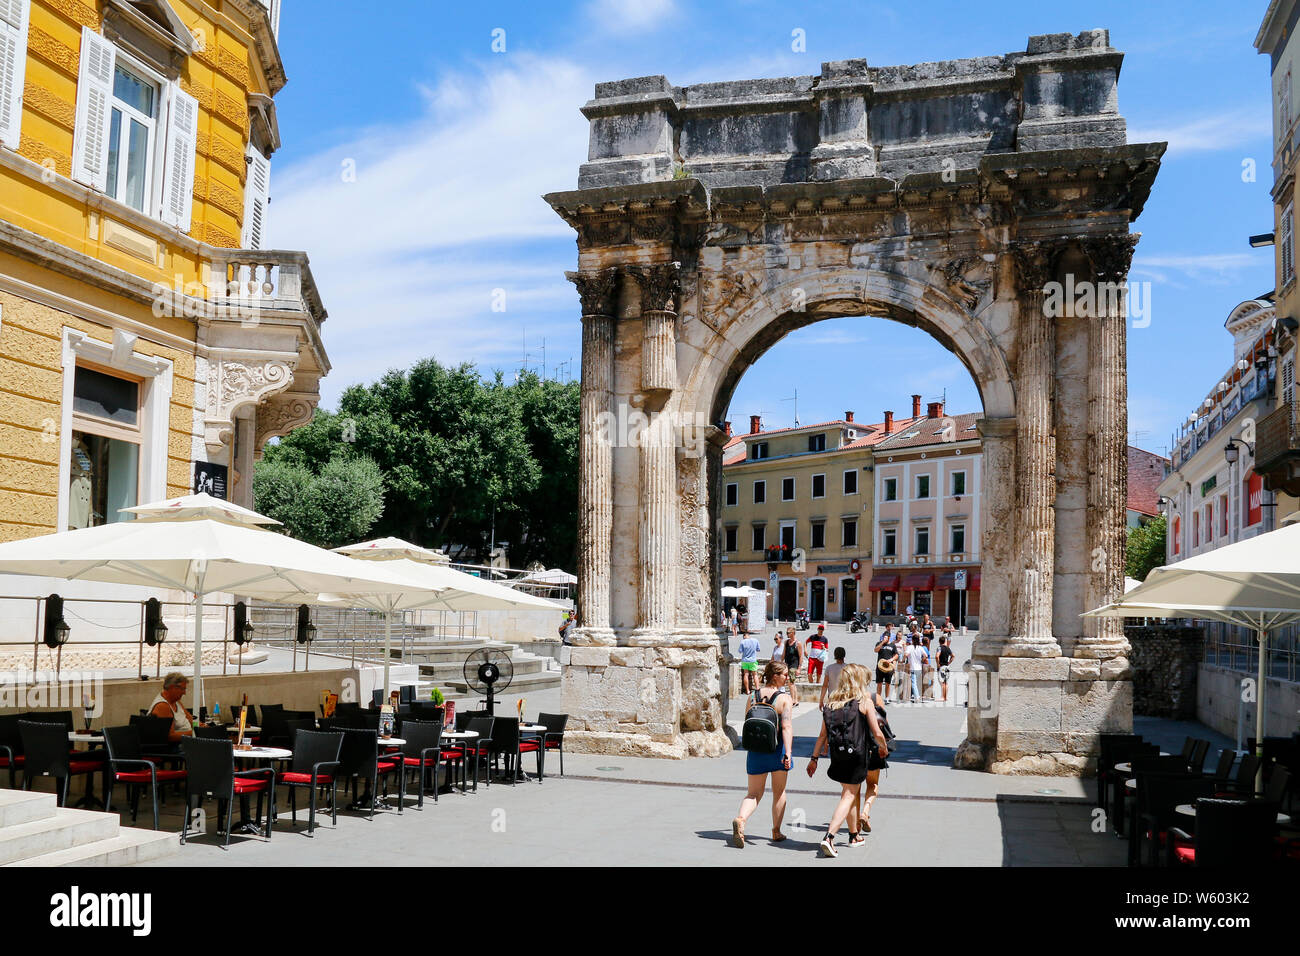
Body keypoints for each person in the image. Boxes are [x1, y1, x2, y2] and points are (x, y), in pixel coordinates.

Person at [806, 663, 890, 857]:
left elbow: (821, 736)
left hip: (837, 754)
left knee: (848, 791)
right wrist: (883, 748)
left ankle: (854, 835)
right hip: (857, 754)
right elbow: (877, 732)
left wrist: (814, 759)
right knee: (849, 794)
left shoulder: (831, 703)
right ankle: (829, 837)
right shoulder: (863, 701)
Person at [731, 661, 795, 848]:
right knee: (779, 792)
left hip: (756, 751)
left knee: (753, 794)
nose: (787, 678)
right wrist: (789, 753)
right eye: (784, 674)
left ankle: (741, 819)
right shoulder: (784, 698)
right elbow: (786, 726)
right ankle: (776, 831)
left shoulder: (752, 696)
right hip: (777, 751)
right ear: (775, 675)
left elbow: (747, 720)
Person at [861, 688, 892, 833]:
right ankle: (865, 812)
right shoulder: (875, 698)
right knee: (872, 784)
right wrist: (885, 746)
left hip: (855, 748)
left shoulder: (846, 697)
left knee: (853, 788)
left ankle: (854, 823)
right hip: (873, 747)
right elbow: (884, 723)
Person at [150, 672, 195, 742]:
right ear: (172, 688)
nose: (184, 693)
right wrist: (195, 733)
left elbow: (191, 720)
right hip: (176, 747)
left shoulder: (176, 702)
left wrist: (204, 727)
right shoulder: (162, 706)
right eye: (182, 689)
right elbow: (170, 736)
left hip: (188, 741)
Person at [874, 626, 900, 701]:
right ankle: (878, 698)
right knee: (879, 683)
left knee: (888, 684)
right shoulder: (879, 643)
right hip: (880, 667)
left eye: (886, 637)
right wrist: (882, 642)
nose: (884, 638)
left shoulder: (892, 645)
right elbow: (875, 650)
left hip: (889, 667)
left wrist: (891, 659)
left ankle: (887, 698)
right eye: (883, 637)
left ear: (889, 638)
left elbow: (896, 655)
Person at [902, 636, 930, 704]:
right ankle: (915, 695)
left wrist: (903, 660)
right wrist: (921, 660)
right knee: (916, 682)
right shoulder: (920, 647)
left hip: (912, 667)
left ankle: (917, 697)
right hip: (919, 667)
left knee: (914, 683)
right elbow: (926, 656)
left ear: (912, 640)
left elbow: (906, 654)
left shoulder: (910, 647)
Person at [737, 628, 762, 695]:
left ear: (744, 636)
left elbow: (740, 651)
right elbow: (758, 649)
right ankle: (757, 689)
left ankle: (747, 690)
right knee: (755, 675)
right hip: (753, 660)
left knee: (746, 674)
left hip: (745, 660)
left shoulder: (743, 642)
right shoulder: (755, 640)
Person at [782, 630, 803, 702]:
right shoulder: (786, 642)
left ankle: (793, 699)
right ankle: (795, 700)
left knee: (790, 682)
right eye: (786, 632)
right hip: (787, 664)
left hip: (794, 665)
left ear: (793, 633)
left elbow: (800, 656)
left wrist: (799, 668)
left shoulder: (798, 643)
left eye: (788, 633)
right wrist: (780, 662)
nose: (787, 634)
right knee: (792, 683)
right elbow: (784, 653)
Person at [935, 634, 955, 702]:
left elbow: (937, 656)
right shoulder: (948, 648)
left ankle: (943, 697)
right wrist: (949, 662)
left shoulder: (939, 648)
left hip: (942, 666)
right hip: (947, 667)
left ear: (939, 641)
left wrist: (938, 664)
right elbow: (953, 656)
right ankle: (945, 697)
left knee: (942, 682)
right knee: (946, 682)